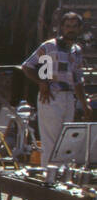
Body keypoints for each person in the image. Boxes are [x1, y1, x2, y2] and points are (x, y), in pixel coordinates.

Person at [22, 12, 90, 164]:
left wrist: (85, 105)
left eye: (74, 26)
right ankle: (48, 178)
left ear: (79, 29)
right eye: (67, 26)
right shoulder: (49, 46)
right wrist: (42, 82)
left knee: (65, 142)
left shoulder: (76, 50)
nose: (70, 30)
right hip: (51, 97)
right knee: (51, 142)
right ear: (62, 28)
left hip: (68, 99)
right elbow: (27, 66)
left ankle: (60, 178)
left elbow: (78, 80)